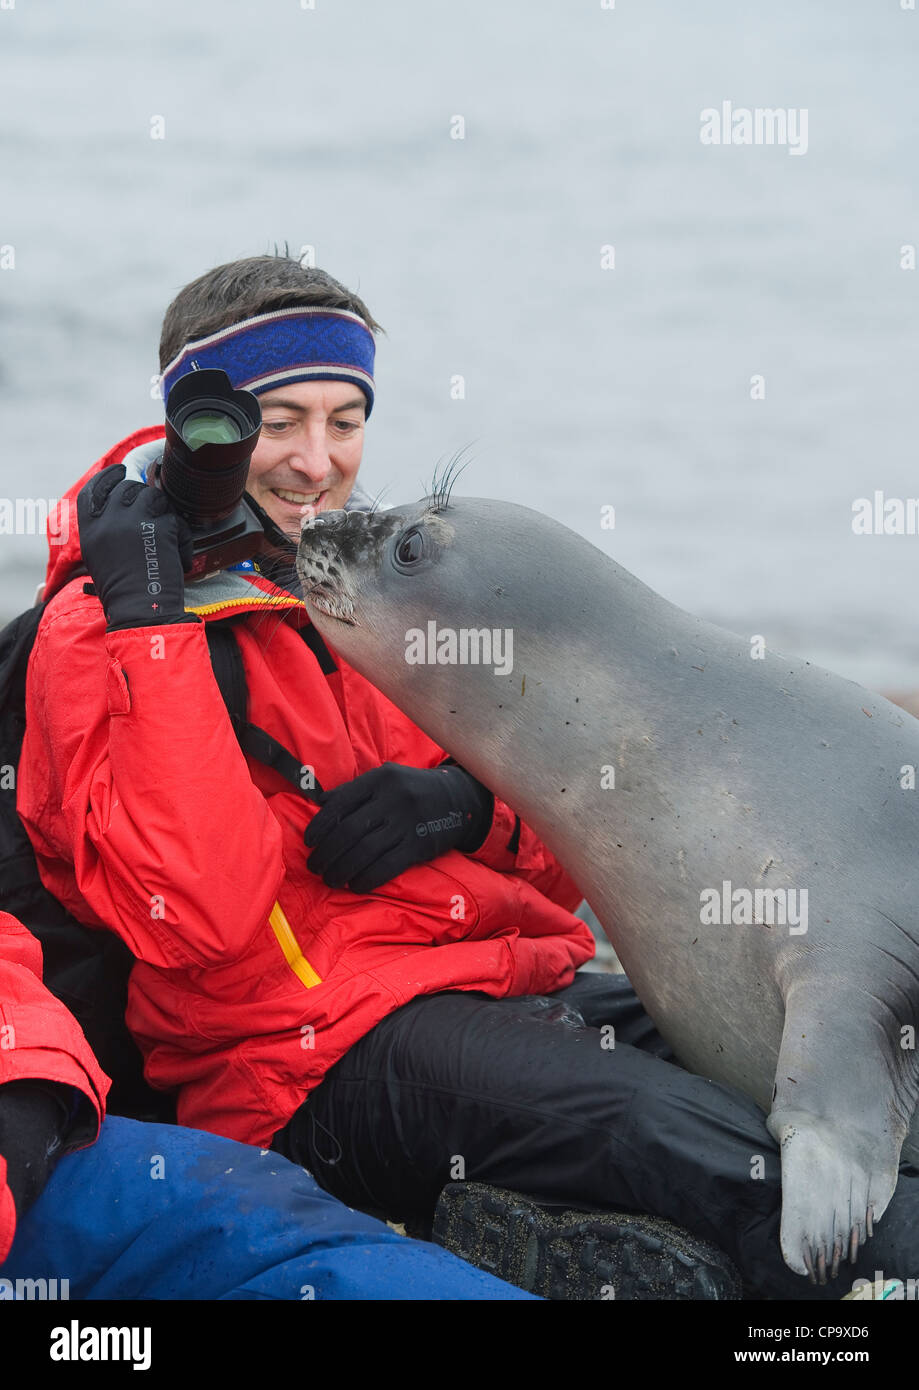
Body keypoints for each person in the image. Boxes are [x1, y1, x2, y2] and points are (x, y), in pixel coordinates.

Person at [16, 255, 919, 1301]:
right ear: (198, 422)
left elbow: (581, 833)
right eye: (280, 420)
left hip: (501, 986)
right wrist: (152, 630)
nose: (318, 462)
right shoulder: (99, 631)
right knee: (704, 1151)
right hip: (305, 1060)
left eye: (345, 420)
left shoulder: (364, 582)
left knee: (760, 1099)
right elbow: (200, 917)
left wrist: (469, 808)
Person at [0, 907, 530, 1300]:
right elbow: (210, 908)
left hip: (463, 972)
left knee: (274, 1229)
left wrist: (477, 812)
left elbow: (556, 867)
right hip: (299, 1054)